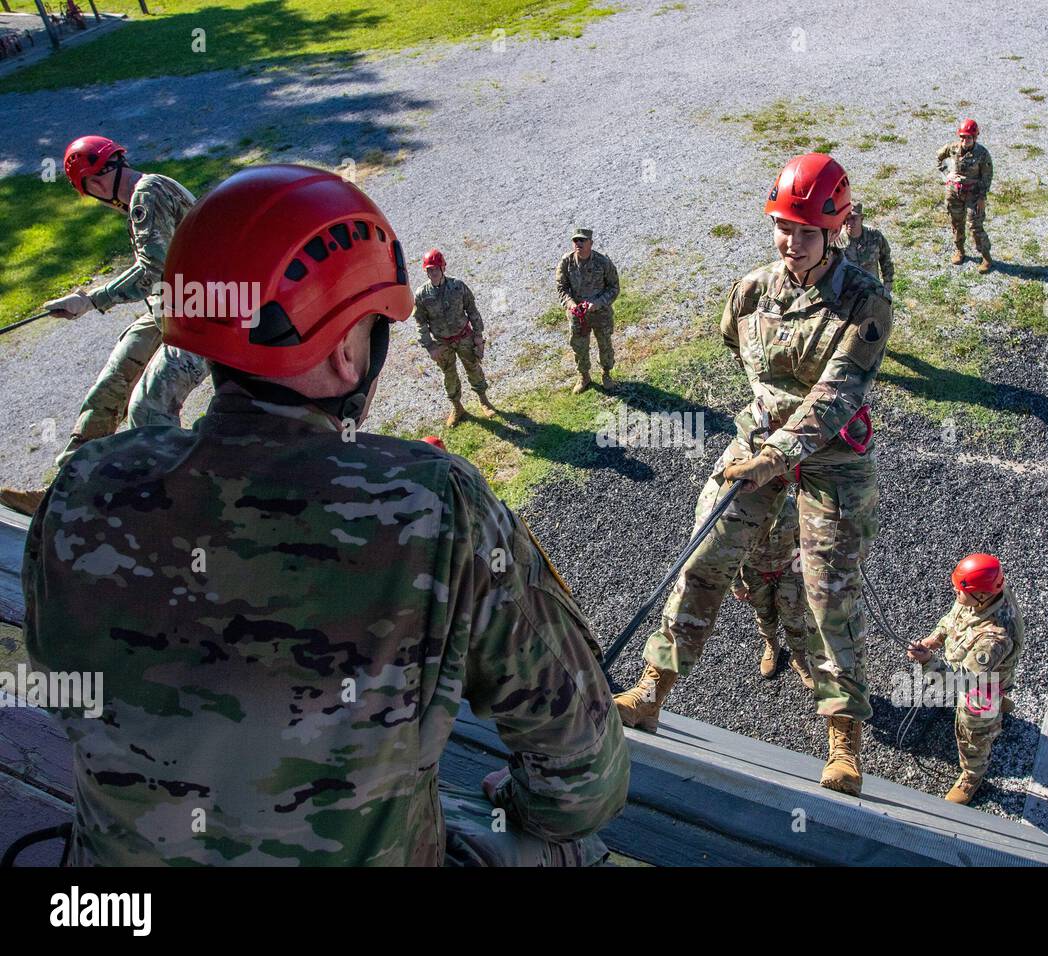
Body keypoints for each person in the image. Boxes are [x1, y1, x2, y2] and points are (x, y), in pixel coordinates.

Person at [23, 164, 628, 866]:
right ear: (346, 353)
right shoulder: (436, 505)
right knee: (578, 849)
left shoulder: (84, 487)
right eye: (372, 328)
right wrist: (515, 802)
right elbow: (587, 781)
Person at [612, 153, 891, 795]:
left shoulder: (865, 301)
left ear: (835, 230)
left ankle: (844, 741)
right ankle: (652, 690)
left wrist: (778, 455)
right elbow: (736, 344)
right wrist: (764, 443)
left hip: (832, 460)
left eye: (806, 232)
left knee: (828, 595)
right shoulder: (752, 290)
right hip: (758, 443)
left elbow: (838, 393)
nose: (791, 243)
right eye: (782, 228)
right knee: (703, 559)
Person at [0, 136, 201, 515]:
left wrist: (91, 300)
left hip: (203, 317)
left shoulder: (147, 194)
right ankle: (64, 490)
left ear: (94, 183)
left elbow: (152, 271)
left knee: (149, 408)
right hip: (169, 308)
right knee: (111, 386)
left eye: (89, 188)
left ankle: (174, 508)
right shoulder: (145, 193)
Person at [907, 553, 1023, 804]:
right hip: (976, 670)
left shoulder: (994, 639)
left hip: (981, 686)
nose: (955, 593)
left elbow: (960, 682)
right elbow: (954, 618)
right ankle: (999, 708)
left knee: (972, 729)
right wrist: (935, 639)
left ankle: (973, 775)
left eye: (960, 590)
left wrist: (928, 662)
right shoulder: (984, 595)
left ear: (981, 595)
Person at [730, 488, 814, 689]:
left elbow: (802, 540)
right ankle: (771, 645)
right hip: (756, 572)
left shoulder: (790, 506)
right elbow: (730, 552)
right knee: (764, 613)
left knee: (794, 616)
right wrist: (736, 584)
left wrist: (804, 572)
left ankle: (798, 657)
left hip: (788, 569)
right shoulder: (739, 512)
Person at [412, 248, 494, 427]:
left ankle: (484, 401)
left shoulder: (458, 286)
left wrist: (478, 335)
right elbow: (420, 323)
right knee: (449, 375)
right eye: (429, 270)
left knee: (473, 368)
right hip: (442, 343)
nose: (433, 273)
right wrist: (430, 346)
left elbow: (472, 310)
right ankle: (457, 408)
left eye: (435, 269)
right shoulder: (422, 294)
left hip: (464, 337)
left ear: (443, 268)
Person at [555, 227, 619, 393]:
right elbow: (561, 287)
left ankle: (606, 374)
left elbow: (614, 287)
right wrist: (570, 303)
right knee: (579, 347)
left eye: (582, 240)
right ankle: (584, 376)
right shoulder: (566, 262)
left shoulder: (603, 262)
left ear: (591, 243)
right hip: (578, 314)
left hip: (600, 313)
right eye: (575, 240)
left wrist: (599, 302)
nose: (579, 243)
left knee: (605, 344)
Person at [936, 119, 994, 272]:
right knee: (956, 223)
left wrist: (982, 198)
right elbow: (939, 157)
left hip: (973, 194)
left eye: (968, 137)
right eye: (962, 137)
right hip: (954, 193)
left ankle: (986, 257)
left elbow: (987, 176)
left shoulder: (982, 154)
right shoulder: (952, 148)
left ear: (975, 137)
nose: (965, 140)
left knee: (975, 226)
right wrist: (947, 174)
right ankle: (960, 251)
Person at [837, 200, 894, 290]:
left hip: (872, 289)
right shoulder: (837, 240)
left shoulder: (874, 236)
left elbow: (885, 258)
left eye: (853, 218)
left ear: (862, 218)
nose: (850, 223)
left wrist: (888, 283)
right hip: (849, 292)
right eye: (847, 218)